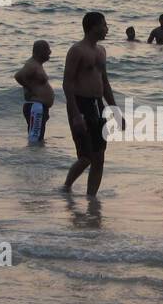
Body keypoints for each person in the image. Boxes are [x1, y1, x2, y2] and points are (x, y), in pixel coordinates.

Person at [63, 12, 123, 195]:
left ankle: (92, 200)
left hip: (98, 105)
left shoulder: (101, 51)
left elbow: (105, 83)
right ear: (92, 27)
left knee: (99, 157)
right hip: (81, 104)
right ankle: (66, 187)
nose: (107, 28)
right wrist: (75, 114)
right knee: (86, 157)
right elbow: (67, 83)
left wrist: (116, 111)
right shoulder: (77, 50)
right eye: (104, 25)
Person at [14, 41, 54, 144]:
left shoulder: (37, 65)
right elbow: (18, 76)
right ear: (39, 51)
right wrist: (30, 88)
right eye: (47, 49)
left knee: (38, 138)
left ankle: (36, 159)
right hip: (36, 107)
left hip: (39, 108)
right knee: (35, 139)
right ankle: (32, 159)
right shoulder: (32, 64)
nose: (50, 52)